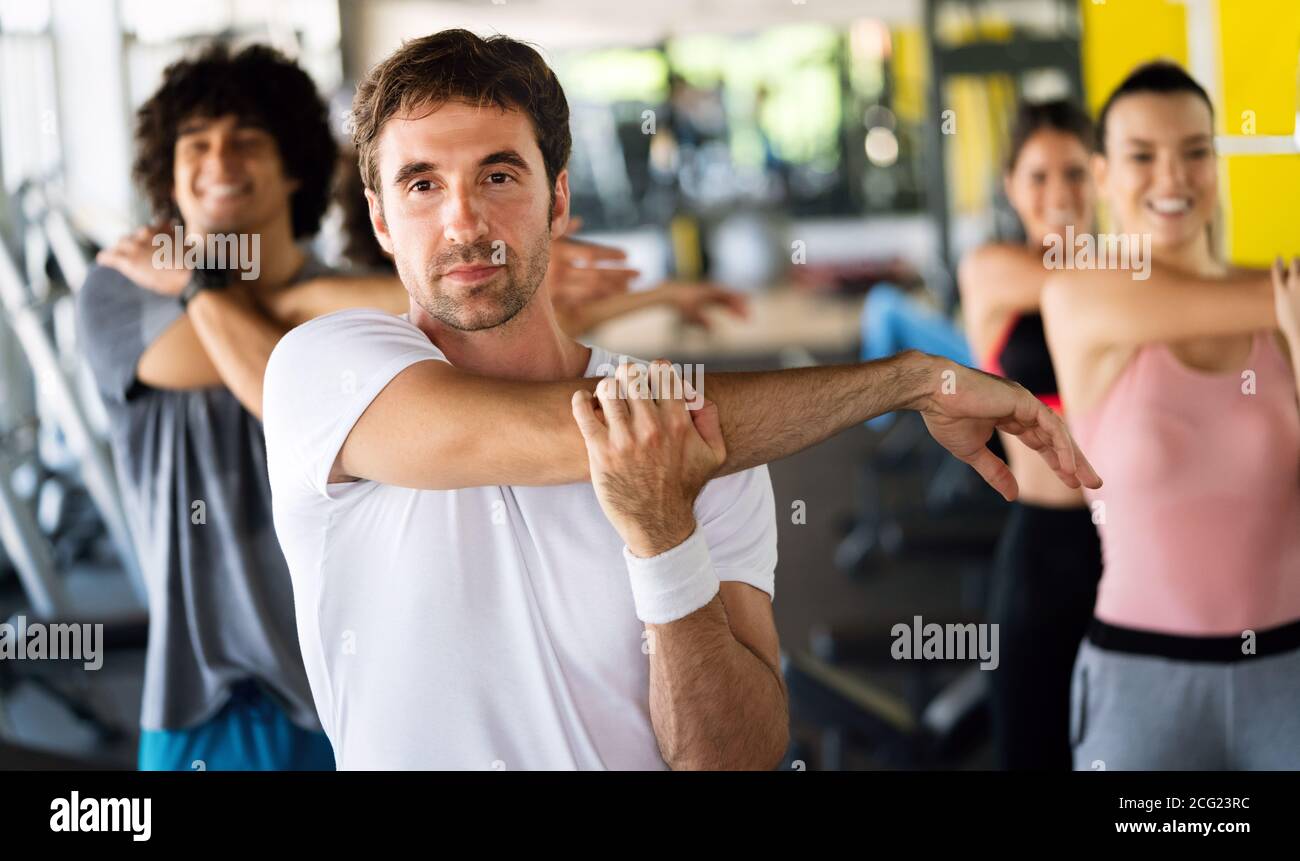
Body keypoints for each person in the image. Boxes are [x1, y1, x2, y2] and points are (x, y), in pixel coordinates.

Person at [262, 29, 1100, 770]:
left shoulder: (710, 439)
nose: (464, 220)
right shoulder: (320, 370)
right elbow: (593, 428)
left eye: (499, 174)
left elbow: (731, 757)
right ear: (377, 219)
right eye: (421, 184)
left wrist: (664, 540)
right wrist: (909, 379)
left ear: (558, 199)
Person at [76, 43, 341, 770]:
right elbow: (268, 371)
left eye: (247, 140)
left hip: (357, 685)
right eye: (195, 143)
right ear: (169, 172)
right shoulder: (118, 293)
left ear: (293, 166)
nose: (218, 159)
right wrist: (200, 284)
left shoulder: (348, 303)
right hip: (215, 700)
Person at [1042, 61, 1300, 770]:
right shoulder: (1080, 296)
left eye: (1195, 151)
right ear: (1101, 175)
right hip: (1140, 684)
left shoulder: (1281, 306)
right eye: (1143, 156)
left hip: (1288, 674)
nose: (1173, 178)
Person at [957, 99, 1103, 770]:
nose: (1059, 193)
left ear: (1101, 177)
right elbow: (1091, 292)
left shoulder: (1138, 277)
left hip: (1136, 553)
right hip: (1042, 555)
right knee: (1035, 752)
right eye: (1038, 176)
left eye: (1076, 172)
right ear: (1011, 185)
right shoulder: (993, 272)